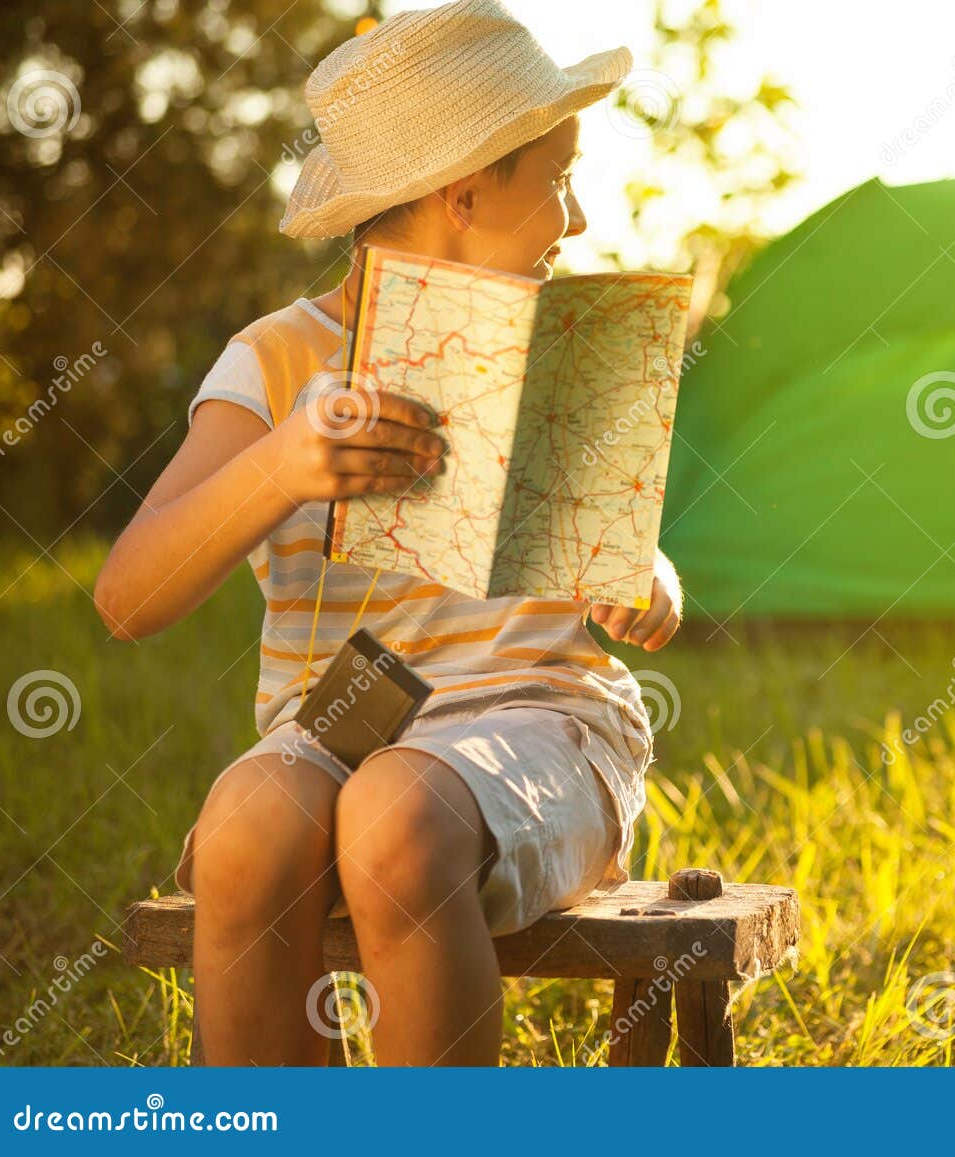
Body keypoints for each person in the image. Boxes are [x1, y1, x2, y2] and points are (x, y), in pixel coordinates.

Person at [91, 0, 676, 1066]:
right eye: (555, 177)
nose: (577, 216)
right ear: (463, 194)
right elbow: (128, 598)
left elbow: (618, 537)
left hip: (537, 714)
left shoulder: (565, 350)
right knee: (245, 824)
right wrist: (284, 464)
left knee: (396, 813)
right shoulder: (276, 361)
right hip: (346, 717)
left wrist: (647, 572)